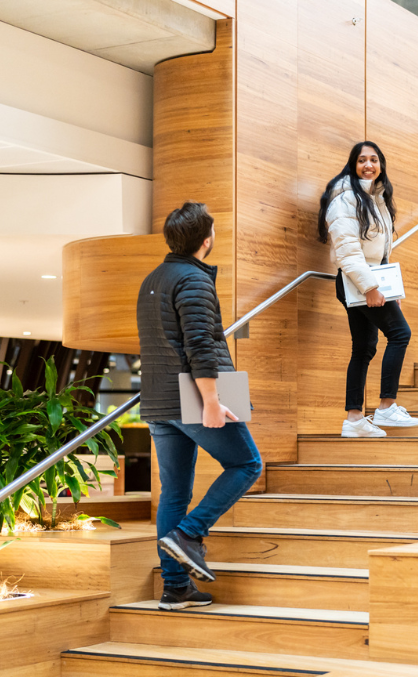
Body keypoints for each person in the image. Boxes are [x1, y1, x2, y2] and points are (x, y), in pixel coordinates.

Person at [136, 201, 263, 611]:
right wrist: (211, 400)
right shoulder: (193, 279)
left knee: (174, 491)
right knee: (247, 464)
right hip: (193, 393)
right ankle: (190, 534)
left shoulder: (152, 278)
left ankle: (175, 588)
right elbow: (200, 344)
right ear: (206, 240)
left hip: (158, 399)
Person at [317, 141, 418, 438]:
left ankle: (353, 420)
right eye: (362, 160)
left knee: (364, 348)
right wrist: (371, 288)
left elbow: (383, 252)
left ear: (381, 165)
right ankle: (387, 407)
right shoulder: (345, 198)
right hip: (357, 281)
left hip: (370, 281)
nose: (368, 165)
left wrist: (392, 291)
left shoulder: (376, 198)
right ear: (353, 165)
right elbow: (349, 251)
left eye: (374, 160)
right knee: (400, 334)